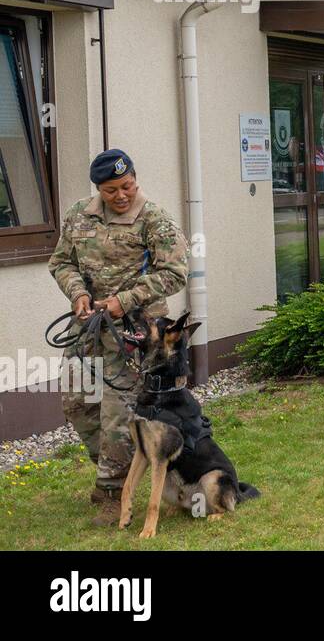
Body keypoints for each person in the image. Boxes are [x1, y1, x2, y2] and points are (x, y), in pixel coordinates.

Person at [48, 149, 189, 525]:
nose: (122, 195)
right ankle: (116, 470)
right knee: (77, 403)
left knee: (117, 413)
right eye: (112, 190)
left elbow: (175, 272)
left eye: (127, 186)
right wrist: (78, 293)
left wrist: (123, 301)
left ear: (135, 179)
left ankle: (112, 492)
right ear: (99, 189)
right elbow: (61, 261)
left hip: (137, 334)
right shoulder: (79, 213)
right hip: (88, 328)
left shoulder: (154, 219)